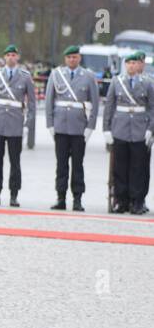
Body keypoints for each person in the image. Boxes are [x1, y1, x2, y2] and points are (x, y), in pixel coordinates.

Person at [45, 44, 99, 211]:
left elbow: (95, 103)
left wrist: (90, 127)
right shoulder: (56, 74)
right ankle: (61, 198)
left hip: (78, 127)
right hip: (61, 126)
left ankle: (77, 199)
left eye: (74, 57)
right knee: (61, 165)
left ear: (79, 58)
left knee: (78, 165)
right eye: (69, 57)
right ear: (65, 59)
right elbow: (49, 100)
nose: (71, 59)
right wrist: (50, 124)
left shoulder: (88, 76)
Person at [0, 44, 36, 207]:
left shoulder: (25, 77)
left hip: (15, 124)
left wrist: (28, 124)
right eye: (8, 55)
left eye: (14, 55)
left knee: (15, 161)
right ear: (4, 57)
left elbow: (32, 103)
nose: (11, 58)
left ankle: (14, 194)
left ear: (17, 57)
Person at [103, 51, 152, 215]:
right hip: (121, 128)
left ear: (139, 65)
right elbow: (109, 107)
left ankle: (136, 201)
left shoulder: (147, 83)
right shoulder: (117, 82)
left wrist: (150, 130)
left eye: (134, 63)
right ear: (125, 65)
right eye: (129, 63)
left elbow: (152, 109)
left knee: (138, 168)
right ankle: (121, 200)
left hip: (139, 129)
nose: (131, 66)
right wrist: (107, 129)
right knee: (120, 167)